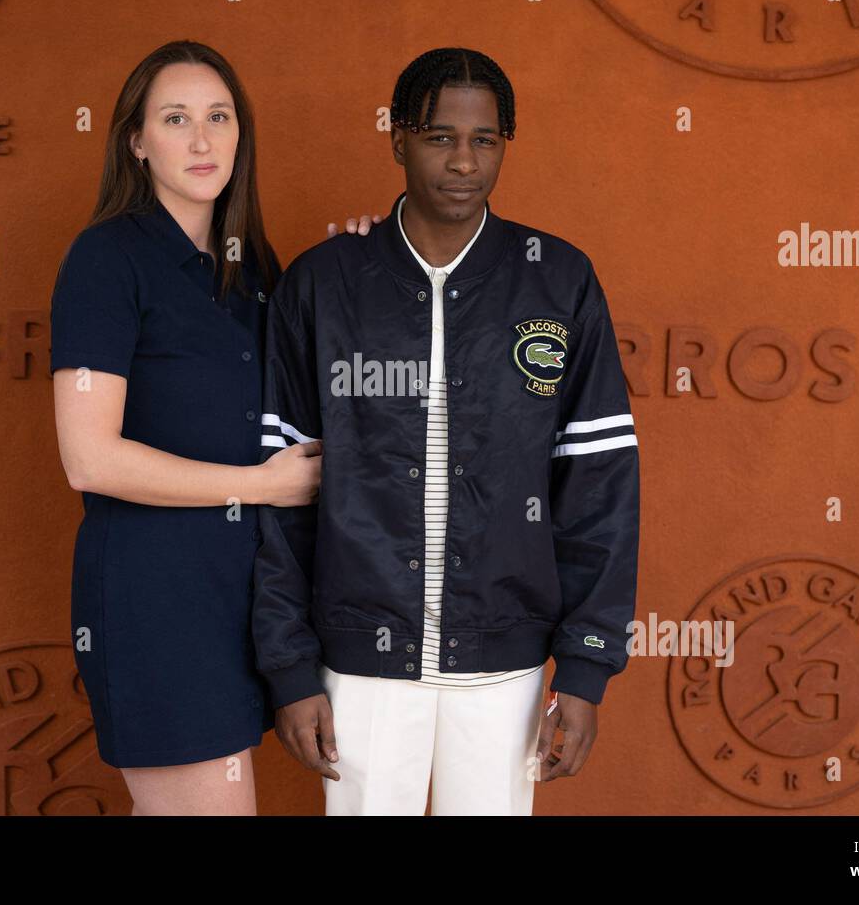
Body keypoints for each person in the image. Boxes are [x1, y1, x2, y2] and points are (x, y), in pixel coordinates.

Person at [252, 47, 641, 815]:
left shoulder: (556, 278)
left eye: (485, 140)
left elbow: (600, 482)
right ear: (398, 138)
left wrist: (587, 665)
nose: (463, 162)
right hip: (361, 663)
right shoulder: (325, 282)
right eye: (438, 137)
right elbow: (277, 490)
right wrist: (290, 668)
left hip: (506, 665)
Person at [49, 40, 337, 815]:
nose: (203, 140)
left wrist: (376, 263)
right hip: (156, 597)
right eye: (176, 119)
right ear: (136, 142)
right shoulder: (107, 259)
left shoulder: (251, 269)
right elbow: (88, 457)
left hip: (246, 600)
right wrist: (263, 486)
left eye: (219, 117)